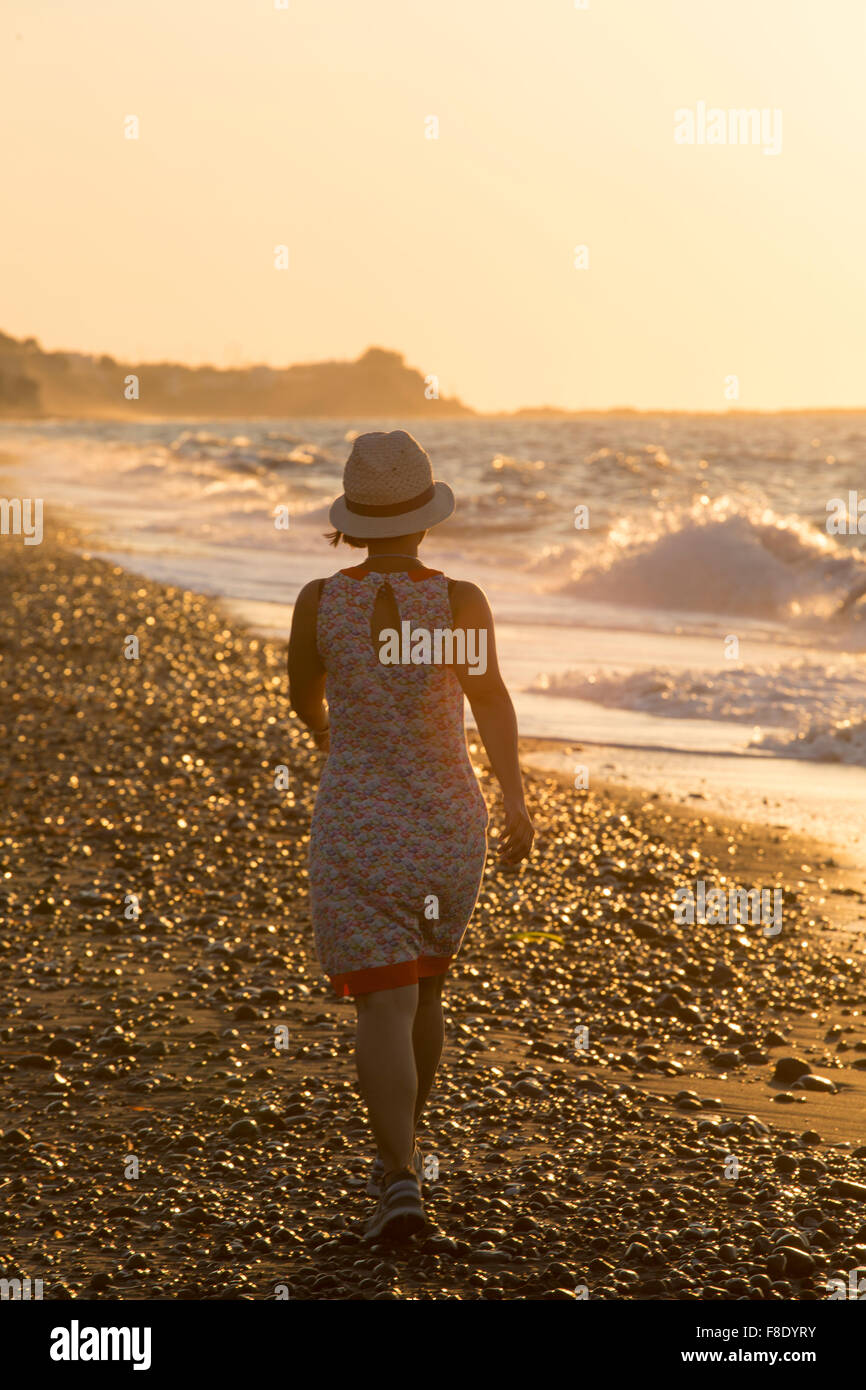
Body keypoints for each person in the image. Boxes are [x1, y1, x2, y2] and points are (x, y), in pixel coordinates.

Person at [288, 429, 533, 1242]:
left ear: (352, 520)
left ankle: (398, 1174)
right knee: (425, 988)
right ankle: (402, 1157)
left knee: (382, 1004)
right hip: (444, 818)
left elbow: (303, 695)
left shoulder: (320, 602)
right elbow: (490, 700)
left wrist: (340, 744)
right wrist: (518, 801)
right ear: (425, 519)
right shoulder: (459, 600)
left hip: (357, 817)